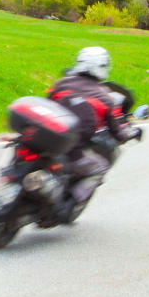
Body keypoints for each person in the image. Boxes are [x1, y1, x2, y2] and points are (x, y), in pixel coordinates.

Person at [46, 45, 140, 208]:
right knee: (100, 169)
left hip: (46, 140)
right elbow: (118, 131)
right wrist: (131, 133)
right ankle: (68, 205)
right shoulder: (104, 97)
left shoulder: (60, 84)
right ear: (102, 67)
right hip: (72, 151)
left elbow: (45, 104)